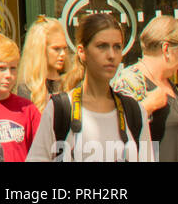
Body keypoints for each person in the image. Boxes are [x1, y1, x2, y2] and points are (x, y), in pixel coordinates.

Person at [26, 13, 155, 162]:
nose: (111, 55)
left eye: (117, 47)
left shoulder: (134, 111)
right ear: (81, 51)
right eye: (102, 46)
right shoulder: (60, 109)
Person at [113, 14, 178, 161]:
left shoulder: (169, 83)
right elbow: (117, 131)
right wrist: (148, 106)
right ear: (167, 49)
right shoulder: (130, 81)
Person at [17, 16, 71, 109]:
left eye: (64, 48)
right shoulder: (27, 88)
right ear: (41, 50)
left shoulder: (71, 82)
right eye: (56, 49)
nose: (63, 54)